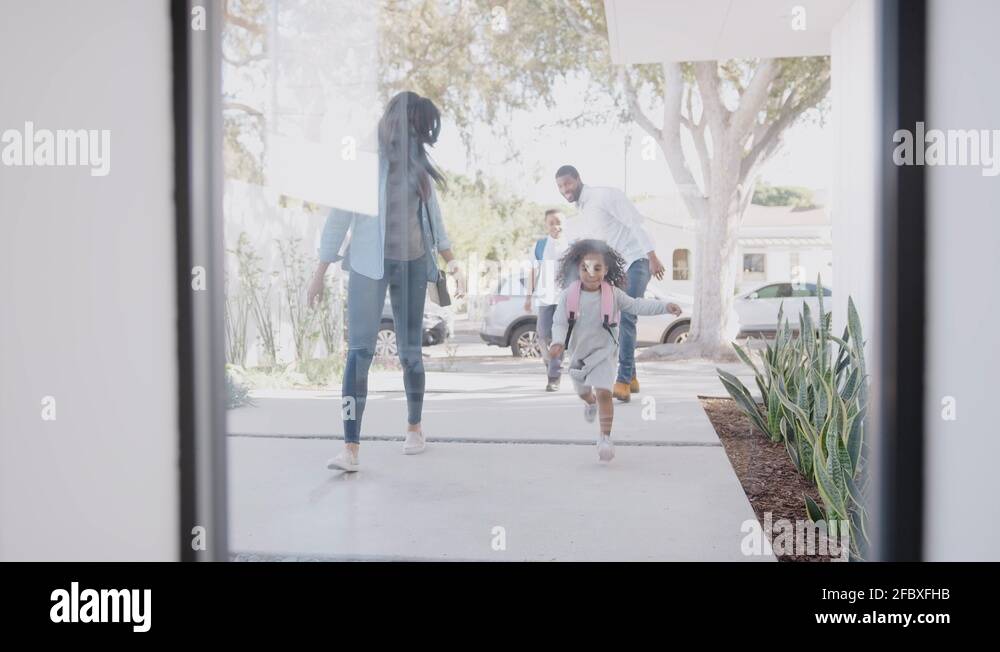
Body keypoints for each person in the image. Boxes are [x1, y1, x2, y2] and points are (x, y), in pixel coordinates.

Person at [308, 91, 465, 473]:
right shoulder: (362, 166)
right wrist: (319, 273)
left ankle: (414, 427)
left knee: (410, 352)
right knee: (359, 353)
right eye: (415, 124)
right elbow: (337, 222)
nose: (418, 133)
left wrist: (453, 263)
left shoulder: (419, 169)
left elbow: (434, 220)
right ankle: (350, 448)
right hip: (366, 266)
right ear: (398, 121)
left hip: (412, 264)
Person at [549, 239, 681, 461]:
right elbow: (559, 323)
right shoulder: (568, 296)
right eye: (585, 268)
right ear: (577, 269)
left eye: (597, 268)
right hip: (579, 356)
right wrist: (557, 341)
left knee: (604, 392)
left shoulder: (614, 295)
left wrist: (664, 305)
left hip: (605, 352)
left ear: (606, 269)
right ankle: (588, 402)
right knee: (585, 392)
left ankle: (605, 438)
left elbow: (638, 305)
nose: (591, 273)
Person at [554, 165, 666, 403]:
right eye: (561, 186)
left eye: (567, 183)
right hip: (618, 268)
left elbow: (636, 222)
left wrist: (652, 256)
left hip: (637, 260)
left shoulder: (605, 195)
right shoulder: (583, 211)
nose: (565, 189)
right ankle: (632, 376)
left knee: (627, 316)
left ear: (578, 179)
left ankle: (623, 380)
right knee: (612, 320)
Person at [524, 209, 568, 391]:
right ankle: (551, 364)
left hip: (564, 299)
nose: (555, 226)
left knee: (558, 337)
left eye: (558, 222)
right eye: (551, 222)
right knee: (542, 336)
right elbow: (533, 272)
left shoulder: (571, 246)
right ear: (546, 225)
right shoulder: (540, 246)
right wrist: (528, 297)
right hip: (545, 298)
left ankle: (554, 377)